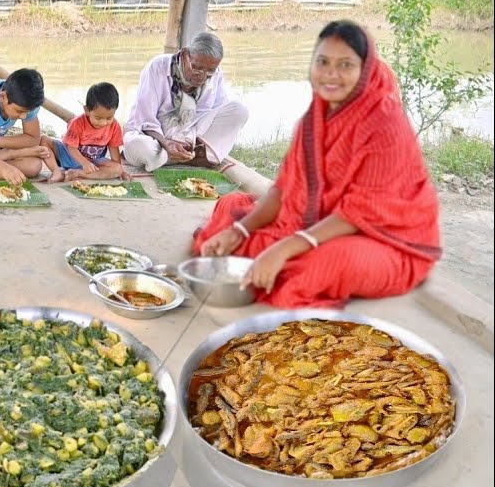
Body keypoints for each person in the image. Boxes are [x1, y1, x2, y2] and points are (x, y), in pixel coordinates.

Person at [194, 22, 440, 308]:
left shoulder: (386, 126)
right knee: (232, 210)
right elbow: (284, 191)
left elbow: (358, 214)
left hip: (379, 236)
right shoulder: (314, 120)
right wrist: (241, 231)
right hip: (315, 222)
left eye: (346, 66)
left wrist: (285, 247)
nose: (331, 75)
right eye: (323, 63)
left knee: (311, 270)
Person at [122, 31, 248, 172]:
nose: (202, 76)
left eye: (210, 71)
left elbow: (215, 113)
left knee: (239, 111)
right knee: (138, 146)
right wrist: (166, 143)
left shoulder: (216, 74)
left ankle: (182, 156)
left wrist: (188, 138)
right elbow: (145, 119)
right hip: (154, 139)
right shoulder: (157, 67)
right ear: (184, 55)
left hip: (188, 137)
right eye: (197, 67)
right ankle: (182, 157)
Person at [41, 82, 131, 183]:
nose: (103, 123)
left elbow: (114, 152)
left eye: (109, 118)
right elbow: (71, 148)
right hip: (69, 156)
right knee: (44, 140)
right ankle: (56, 171)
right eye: (98, 118)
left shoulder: (114, 126)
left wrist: (120, 171)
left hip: (94, 162)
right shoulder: (77, 123)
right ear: (87, 110)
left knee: (117, 168)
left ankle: (77, 173)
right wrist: (84, 163)